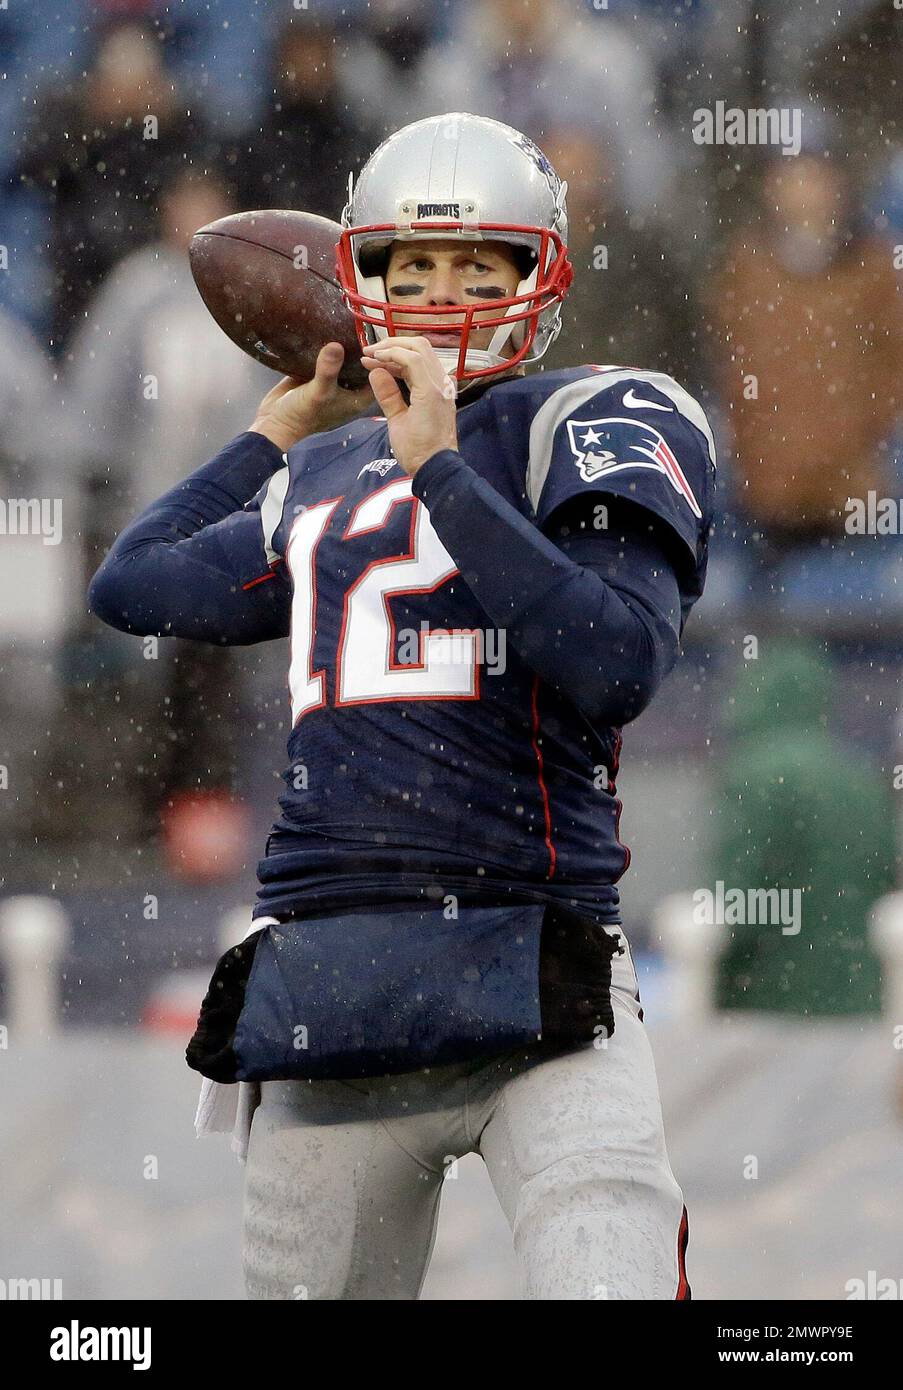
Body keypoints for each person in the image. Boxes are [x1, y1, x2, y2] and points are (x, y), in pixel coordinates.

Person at [88, 113, 715, 1300]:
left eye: (479, 266)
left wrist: (441, 469)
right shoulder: (326, 469)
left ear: (541, 273)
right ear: (357, 281)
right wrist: (275, 432)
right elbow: (132, 583)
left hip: (537, 963)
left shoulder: (596, 413)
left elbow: (616, 658)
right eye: (409, 267)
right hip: (333, 979)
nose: (442, 294)